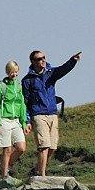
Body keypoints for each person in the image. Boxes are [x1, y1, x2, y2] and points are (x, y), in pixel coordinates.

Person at [23, 49, 81, 178]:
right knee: (44, 146)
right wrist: (26, 121)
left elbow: (62, 70)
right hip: (38, 115)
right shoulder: (27, 80)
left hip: (52, 114)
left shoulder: (51, 73)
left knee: (53, 147)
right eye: (39, 59)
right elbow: (25, 102)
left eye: (43, 57)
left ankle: (37, 169)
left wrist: (72, 61)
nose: (42, 60)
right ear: (33, 62)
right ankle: (42, 175)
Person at [0, 60, 29, 181]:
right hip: (4, 120)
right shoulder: (1, 86)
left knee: (21, 147)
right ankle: (4, 175)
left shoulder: (19, 86)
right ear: (7, 72)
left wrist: (24, 122)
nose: (14, 74)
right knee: (7, 149)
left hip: (16, 120)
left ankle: (5, 166)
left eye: (16, 72)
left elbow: (22, 104)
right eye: (12, 72)